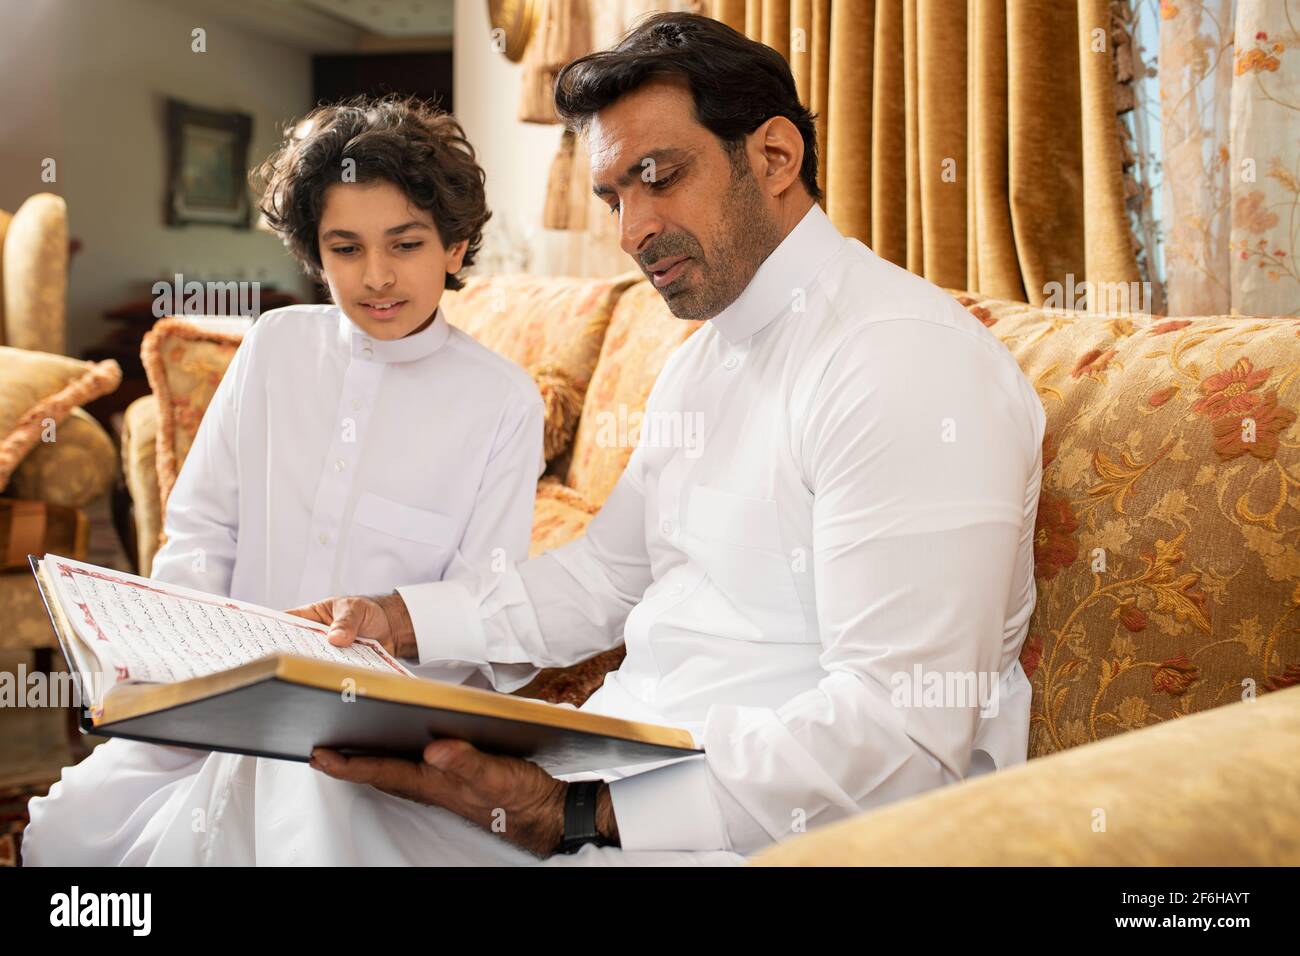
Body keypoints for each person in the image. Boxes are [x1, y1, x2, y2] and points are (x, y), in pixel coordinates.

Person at [30, 11, 1045, 866]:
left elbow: (903, 726)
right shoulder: (703, 359)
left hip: (741, 829)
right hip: (609, 783)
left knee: (308, 802)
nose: (633, 224)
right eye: (614, 194)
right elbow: (603, 576)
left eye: (660, 174)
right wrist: (395, 619)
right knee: (309, 783)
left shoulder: (901, 360)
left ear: (774, 156)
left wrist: (575, 809)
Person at [22, 94, 546, 865]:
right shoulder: (275, 346)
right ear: (313, 251)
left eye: (404, 244)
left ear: (456, 247)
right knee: (65, 833)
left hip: (377, 728)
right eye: (345, 248)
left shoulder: (502, 400)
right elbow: (202, 528)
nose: (376, 277)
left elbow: (483, 606)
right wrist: (174, 662)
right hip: (221, 697)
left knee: (294, 824)